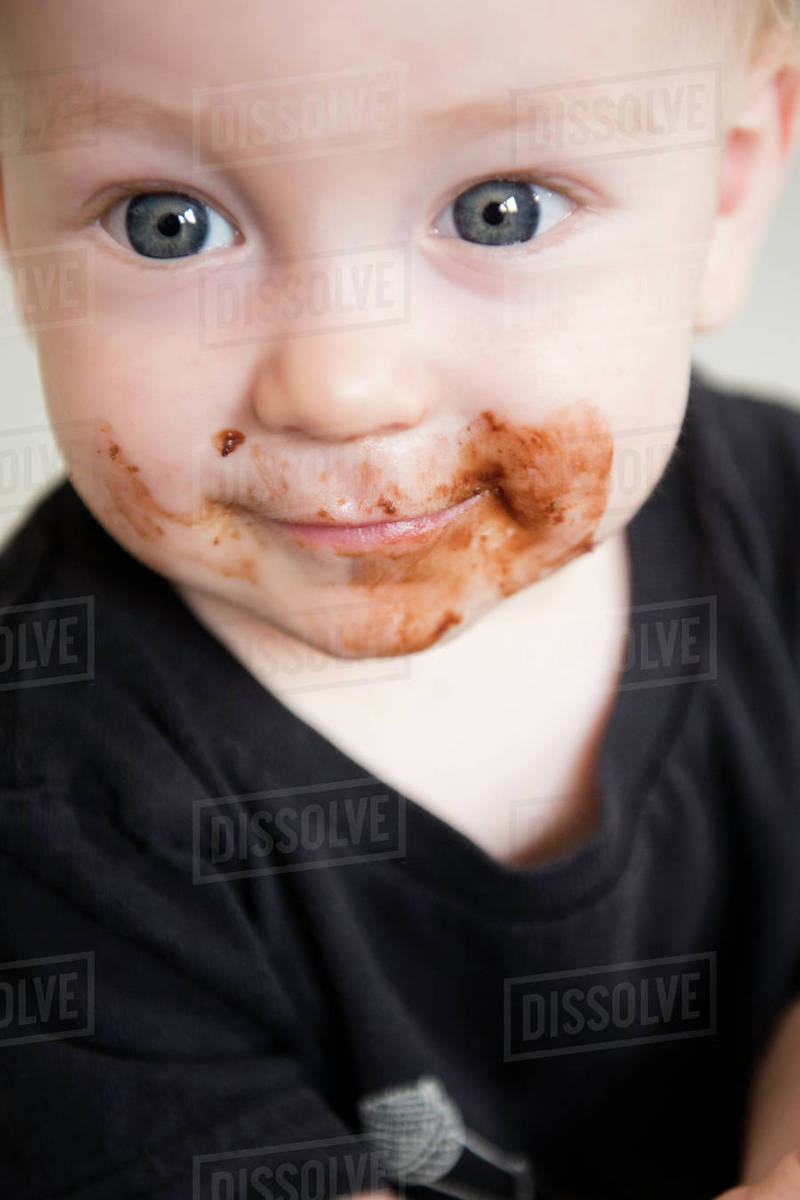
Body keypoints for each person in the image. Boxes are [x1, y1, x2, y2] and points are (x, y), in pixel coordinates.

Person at [1, 0, 800, 1196]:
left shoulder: (780, 524)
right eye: (167, 225)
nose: (340, 383)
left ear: (728, 186)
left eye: (502, 210)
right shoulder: (56, 804)